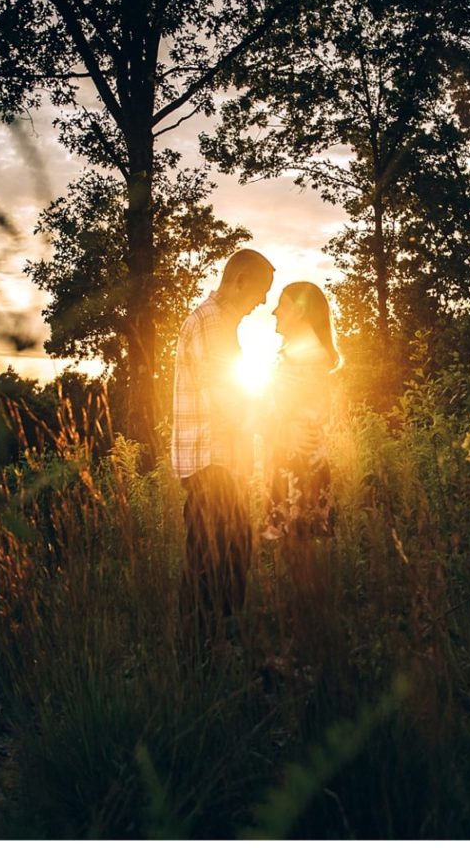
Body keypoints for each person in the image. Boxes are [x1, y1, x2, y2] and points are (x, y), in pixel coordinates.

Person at [171, 248, 275, 650]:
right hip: (212, 465)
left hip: (214, 464)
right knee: (212, 568)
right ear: (238, 281)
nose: (262, 301)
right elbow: (226, 399)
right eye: (261, 290)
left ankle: (215, 650)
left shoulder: (216, 322)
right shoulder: (213, 322)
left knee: (225, 561)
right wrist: (268, 426)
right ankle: (202, 659)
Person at [258, 282, 342, 675]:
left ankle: (307, 649)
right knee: (296, 555)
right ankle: (310, 643)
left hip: (299, 470)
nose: (274, 312)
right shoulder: (301, 356)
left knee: (298, 556)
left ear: (301, 313)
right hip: (293, 466)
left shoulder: (305, 359)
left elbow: (294, 420)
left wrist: (278, 428)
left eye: (282, 305)